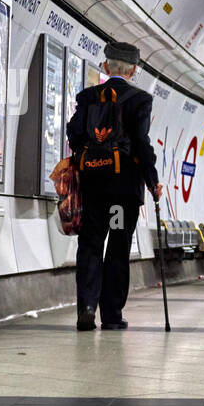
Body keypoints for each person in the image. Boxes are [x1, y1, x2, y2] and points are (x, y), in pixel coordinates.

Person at [66, 41, 163, 331]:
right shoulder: (139, 100)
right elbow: (142, 145)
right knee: (118, 248)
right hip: (122, 193)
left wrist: (90, 156)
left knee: (91, 246)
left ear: (106, 67)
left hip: (93, 188)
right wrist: (152, 181)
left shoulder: (88, 97)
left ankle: (86, 308)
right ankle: (111, 315)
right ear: (133, 71)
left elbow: (73, 133)